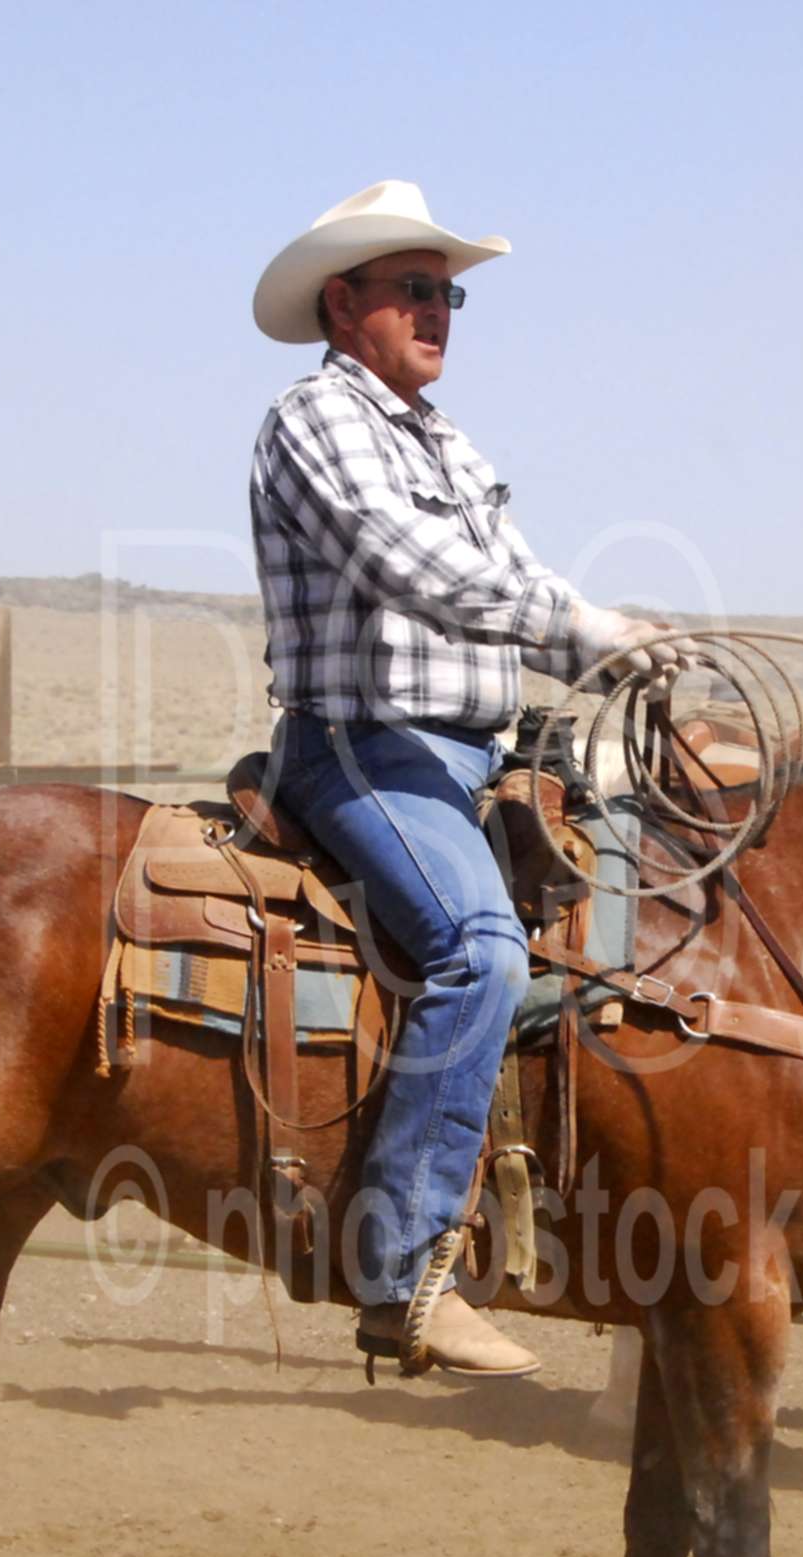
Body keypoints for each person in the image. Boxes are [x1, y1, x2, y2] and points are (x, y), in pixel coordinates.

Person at [247, 181, 679, 1377]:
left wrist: (619, 643)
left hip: (476, 754)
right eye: (415, 290)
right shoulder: (314, 418)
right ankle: (403, 1268)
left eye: (449, 295)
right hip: (367, 745)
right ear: (346, 305)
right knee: (478, 950)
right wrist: (581, 624)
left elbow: (517, 591)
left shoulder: (449, 442)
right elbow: (410, 565)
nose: (439, 312)